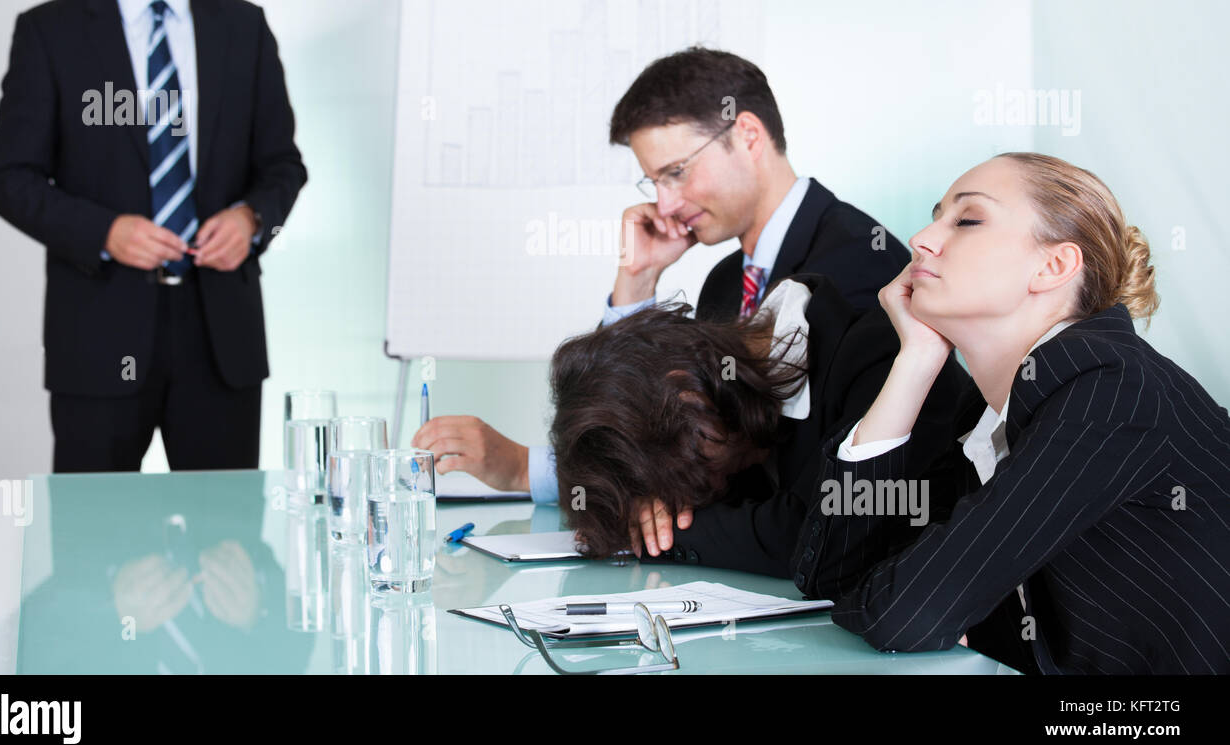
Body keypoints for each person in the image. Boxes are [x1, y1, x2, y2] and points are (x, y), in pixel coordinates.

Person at [414, 47, 910, 546]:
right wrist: (639, 278)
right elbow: (659, 436)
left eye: (676, 172)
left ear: (748, 136)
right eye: (654, 181)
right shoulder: (725, 280)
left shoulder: (858, 268)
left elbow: (821, 509)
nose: (665, 203)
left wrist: (659, 529)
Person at [791, 152, 1230, 674]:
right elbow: (833, 582)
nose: (922, 240)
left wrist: (892, 592)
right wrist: (915, 363)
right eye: (935, 216)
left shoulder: (1116, 392)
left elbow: (908, 615)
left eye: (967, 219)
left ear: (1053, 266)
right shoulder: (984, 415)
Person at [0, 0, 307, 472]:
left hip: (222, 337)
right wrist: (103, 230)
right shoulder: (51, 33)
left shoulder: (243, 28)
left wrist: (251, 220)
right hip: (99, 330)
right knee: (92, 548)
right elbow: (10, 178)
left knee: (226, 549)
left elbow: (282, 165)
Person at [548, 272, 968, 575]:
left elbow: (818, 534)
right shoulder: (729, 416)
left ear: (688, 398)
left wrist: (665, 538)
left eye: (690, 479)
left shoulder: (880, 353)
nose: (706, 492)